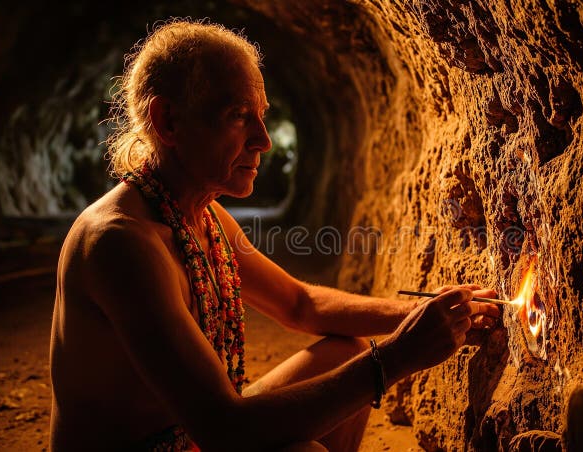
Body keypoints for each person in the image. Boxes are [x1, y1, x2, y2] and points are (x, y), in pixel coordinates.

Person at [49, 19, 500, 451]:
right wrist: (397, 358)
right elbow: (224, 429)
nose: (263, 140)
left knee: (346, 353)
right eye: (238, 115)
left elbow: (300, 305)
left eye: (262, 116)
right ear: (168, 121)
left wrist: (431, 315)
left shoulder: (202, 217)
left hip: (190, 436)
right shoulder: (120, 242)